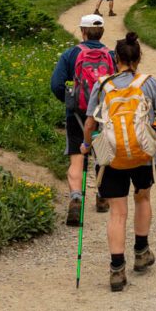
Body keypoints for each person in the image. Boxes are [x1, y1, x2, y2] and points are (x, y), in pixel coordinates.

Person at [82, 31, 156, 292]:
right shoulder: (149, 83)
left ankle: (116, 270)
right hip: (144, 154)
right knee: (143, 198)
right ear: (139, 57)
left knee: (117, 211)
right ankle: (141, 252)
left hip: (112, 155)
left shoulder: (103, 84)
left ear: (116, 58)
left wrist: (85, 145)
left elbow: (90, 122)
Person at [49, 14, 114, 225]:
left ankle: (76, 199)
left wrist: (71, 102)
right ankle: (103, 196)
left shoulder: (71, 54)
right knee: (102, 155)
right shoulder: (111, 55)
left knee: (77, 157)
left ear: (82, 31)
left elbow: (56, 85)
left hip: (77, 114)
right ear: (101, 32)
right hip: (105, 114)